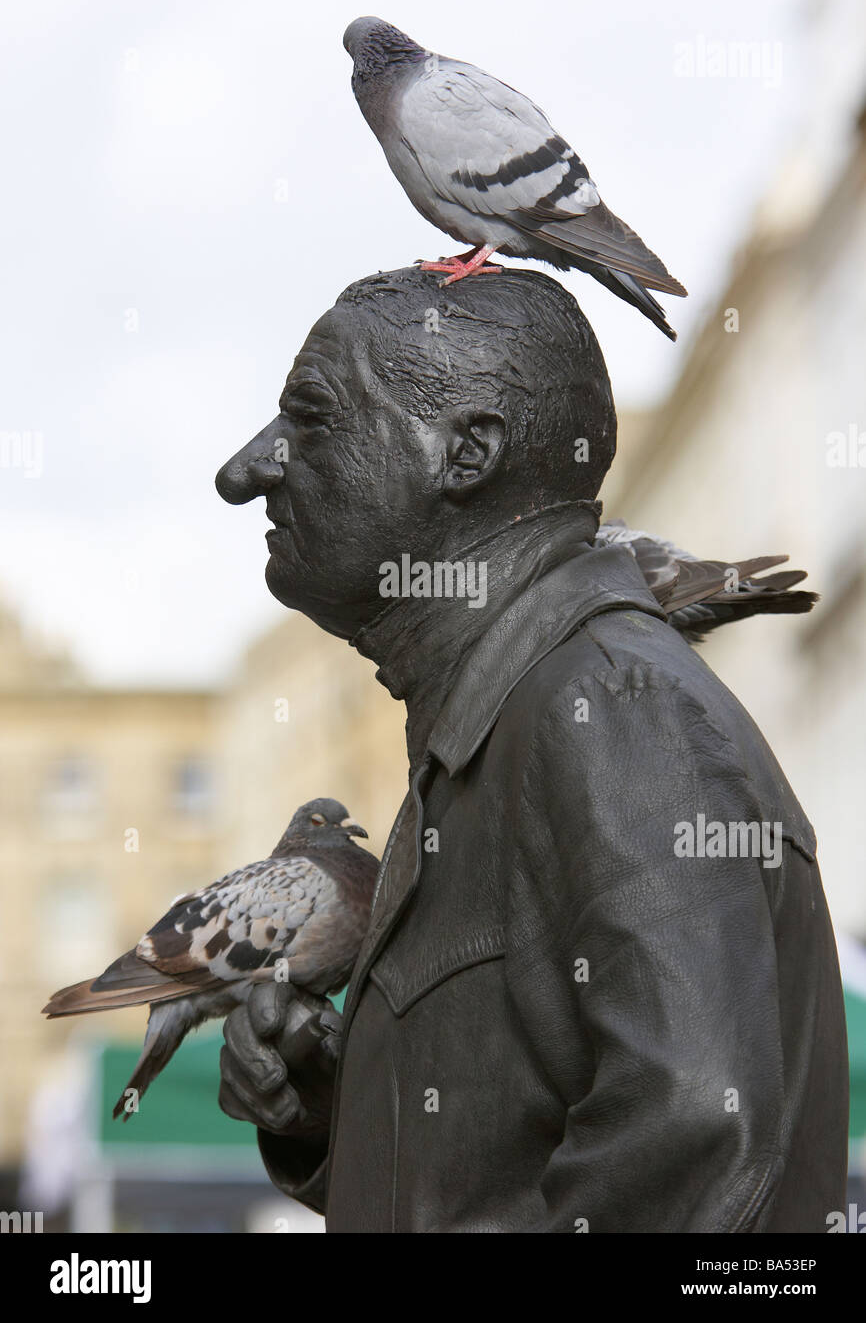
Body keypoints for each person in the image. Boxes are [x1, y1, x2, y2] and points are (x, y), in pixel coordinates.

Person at [214, 266, 848, 1233]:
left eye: (312, 416)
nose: (249, 469)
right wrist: (343, 1108)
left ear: (466, 453)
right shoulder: (497, 734)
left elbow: (690, 1148)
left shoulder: (610, 707)